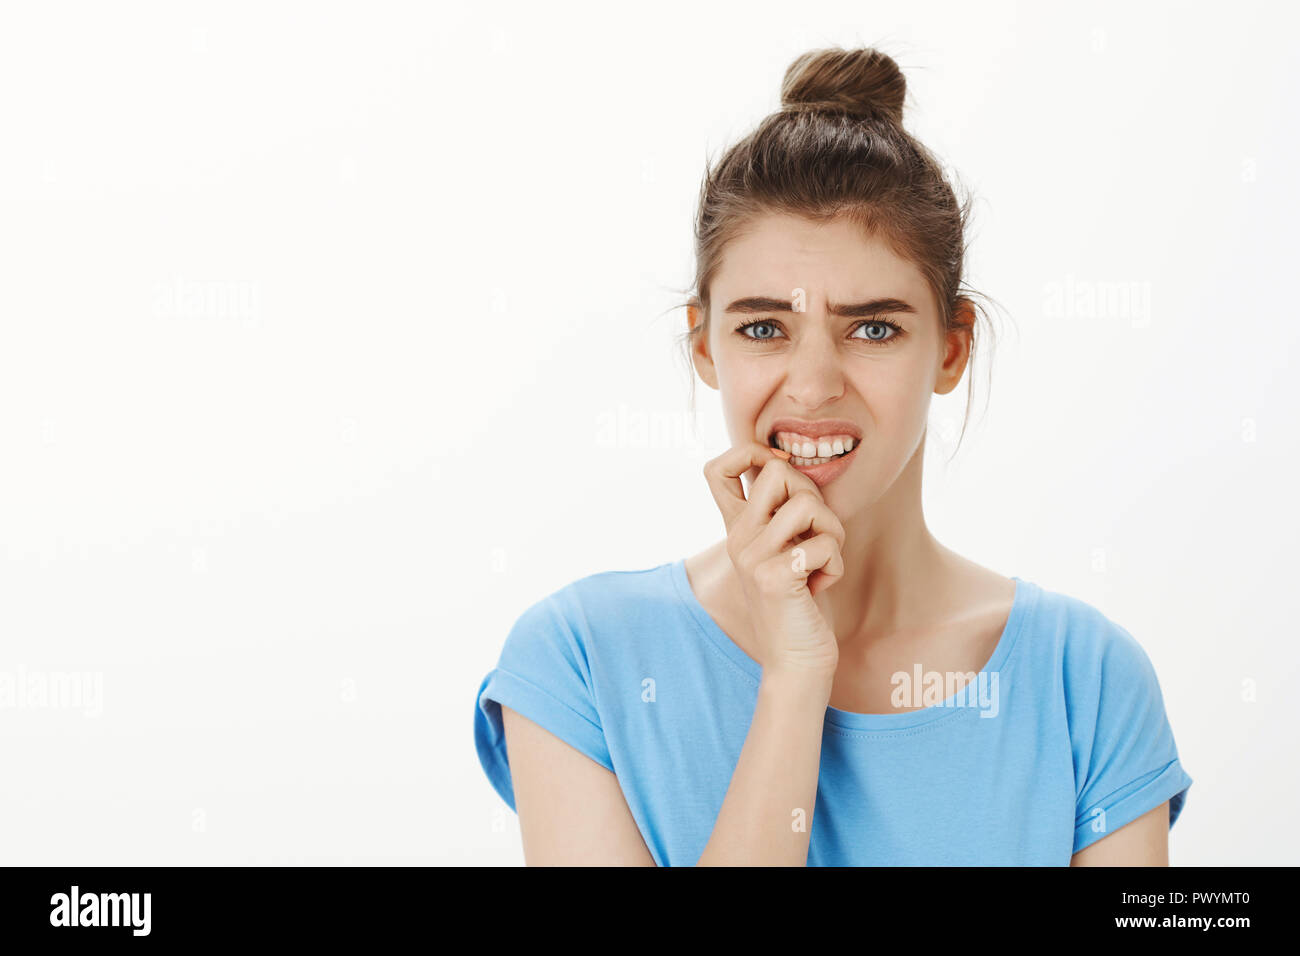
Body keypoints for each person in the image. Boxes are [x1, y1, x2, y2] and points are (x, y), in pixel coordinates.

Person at [473, 45, 1192, 865]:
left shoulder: (1086, 683)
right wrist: (793, 678)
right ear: (703, 346)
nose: (812, 388)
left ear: (952, 350)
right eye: (764, 328)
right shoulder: (578, 664)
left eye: (873, 328)